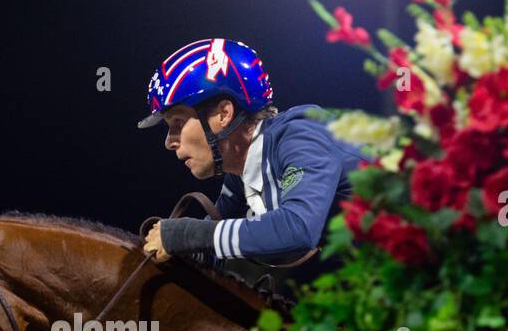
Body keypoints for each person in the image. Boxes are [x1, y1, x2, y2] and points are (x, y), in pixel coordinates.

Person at [138, 38, 366, 278]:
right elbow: (211, 246)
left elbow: (298, 229)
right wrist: (177, 247)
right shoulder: (241, 173)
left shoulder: (302, 137)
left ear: (223, 114)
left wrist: (186, 235)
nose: (169, 141)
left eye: (177, 122)